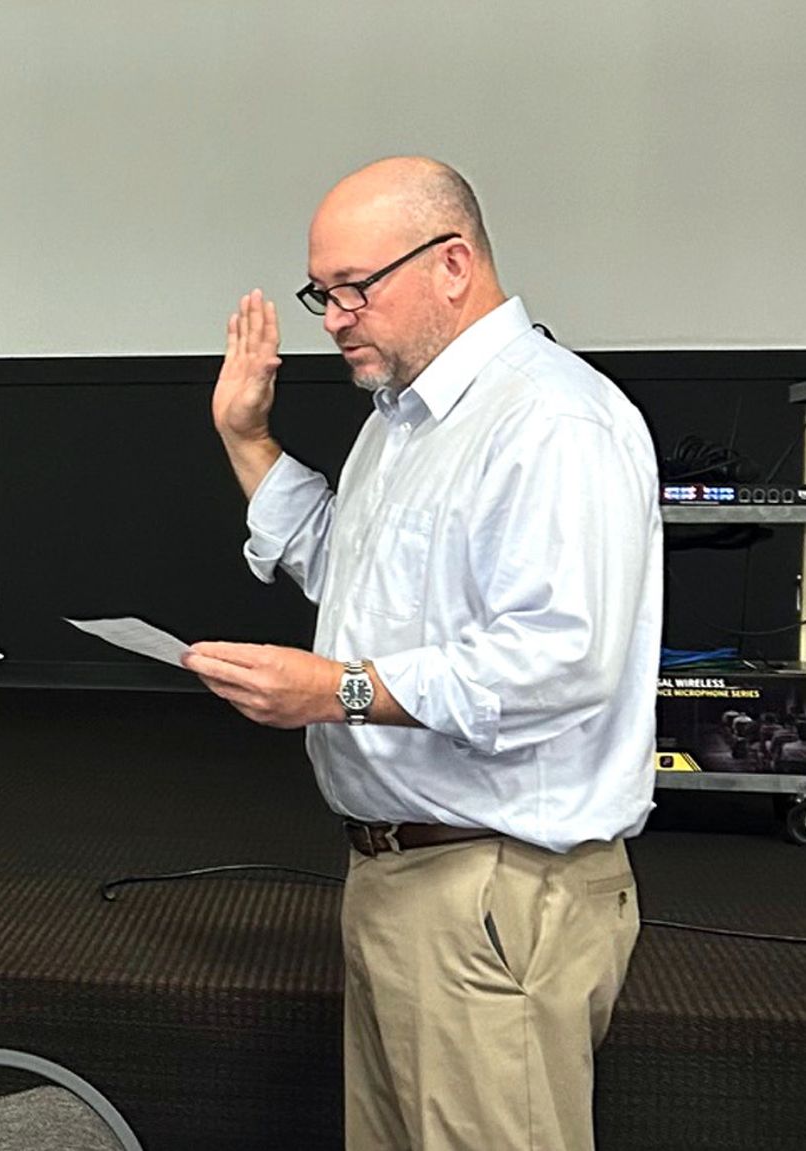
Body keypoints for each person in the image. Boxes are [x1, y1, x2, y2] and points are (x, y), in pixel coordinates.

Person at [184, 157, 661, 1150]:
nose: (334, 315)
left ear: (453, 263)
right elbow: (348, 566)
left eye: (358, 286)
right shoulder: (403, 423)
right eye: (325, 291)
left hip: (493, 891)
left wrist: (337, 688)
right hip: (406, 881)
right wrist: (246, 435)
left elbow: (560, 660)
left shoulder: (552, 421)